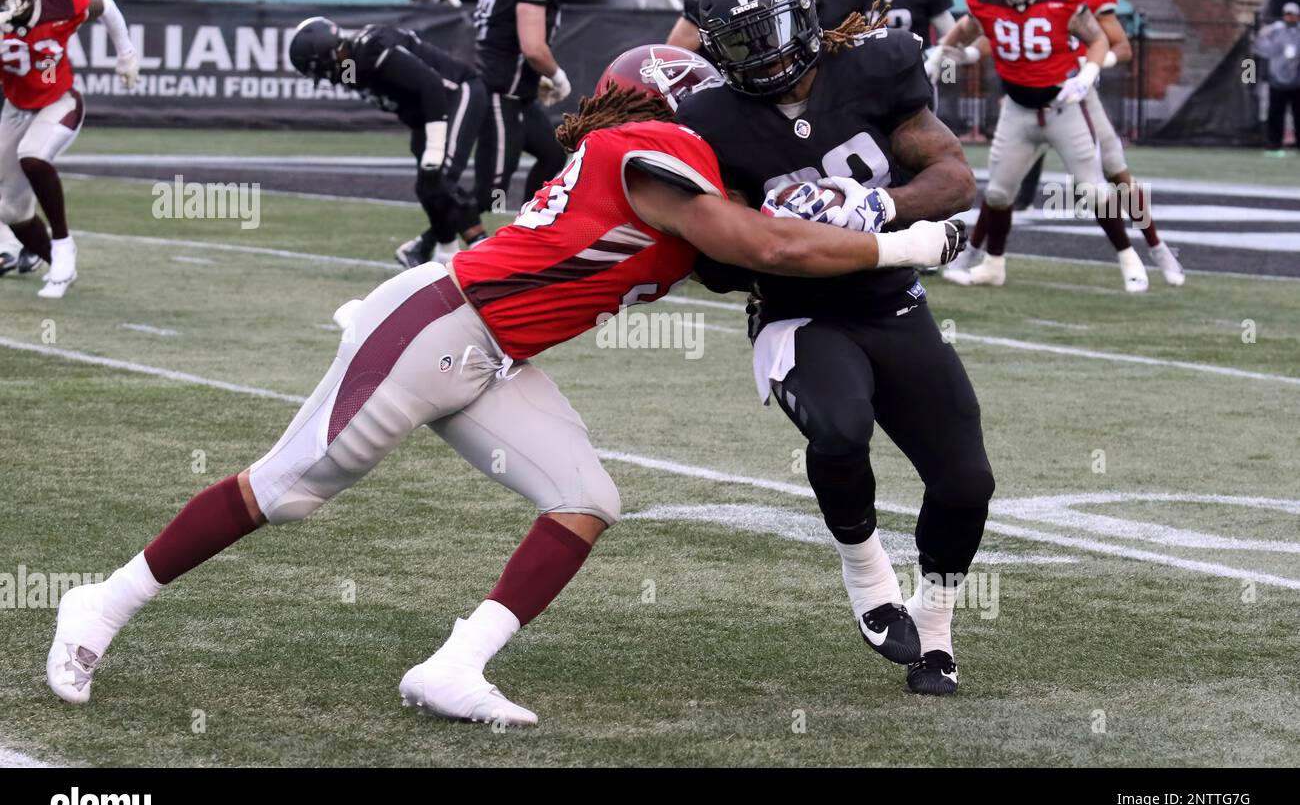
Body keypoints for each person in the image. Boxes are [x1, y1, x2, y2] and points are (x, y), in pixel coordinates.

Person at [47, 43, 966, 725]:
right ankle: (104, 599)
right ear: (669, 103)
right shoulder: (647, 149)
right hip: (437, 326)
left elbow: (751, 250)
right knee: (286, 491)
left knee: (584, 497)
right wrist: (907, 240)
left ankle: (454, 665)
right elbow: (762, 246)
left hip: (494, 355)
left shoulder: (659, 172)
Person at [680, 0, 989, 695]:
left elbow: (953, 178)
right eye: (739, 40)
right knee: (841, 428)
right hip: (797, 312)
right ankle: (867, 575)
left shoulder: (875, 66)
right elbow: (714, 266)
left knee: (966, 483)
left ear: (805, 17)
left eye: (767, 32)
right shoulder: (708, 119)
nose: (757, 55)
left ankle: (936, 631)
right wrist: (768, 232)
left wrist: (877, 205)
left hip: (891, 303)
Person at [931, 0, 1148, 292]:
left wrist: (1088, 76)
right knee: (999, 194)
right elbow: (969, 27)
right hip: (1017, 110)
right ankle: (993, 265)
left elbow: (1098, 40)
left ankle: (1129, 259)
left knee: (1093, 190)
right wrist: (946, 52)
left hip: (1063, 108)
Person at [1006, 0, 1184, 285]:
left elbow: (1122, 47)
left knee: (1115, 173)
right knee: (1001, 186)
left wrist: (1089, 72)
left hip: (1076, 98)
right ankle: (984, 259)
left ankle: (1156, 246)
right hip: (1028, 100)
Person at [288, 17, 487, 267]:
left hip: (458, 93)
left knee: (440, 179)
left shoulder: (370, 49)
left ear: (326, 56)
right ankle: (445, 255)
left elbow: (432, 86)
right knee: (428, 188)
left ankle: (472, 254)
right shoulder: (351, 67)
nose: (324, 77)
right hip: (427, 115)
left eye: (317, 69)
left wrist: (434, 149)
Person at [0, 0, 140, 298]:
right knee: (11, 210)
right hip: (16, 109)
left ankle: (63, 243)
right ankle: (58, 263)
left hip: (59, 101)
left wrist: (126, 54)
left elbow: (105, 4)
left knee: (33, 156)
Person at [470, 0, 570, 216]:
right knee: (491, 191)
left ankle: (528, 223)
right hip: (501, 96)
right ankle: (430, 242)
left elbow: (505, 37)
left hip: (517, 95)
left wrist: (531, 78)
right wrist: (557, 76)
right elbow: (533, 49)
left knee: (552, 154)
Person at [1256, 0, 1300, 154]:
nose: (1290, 18)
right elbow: (1260, 47)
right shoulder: (1275, 31)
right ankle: (1274, 144)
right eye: (1287, 14)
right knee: (1275, 114)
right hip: (1277, 81)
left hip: (1297, 82)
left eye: (1293, 15)